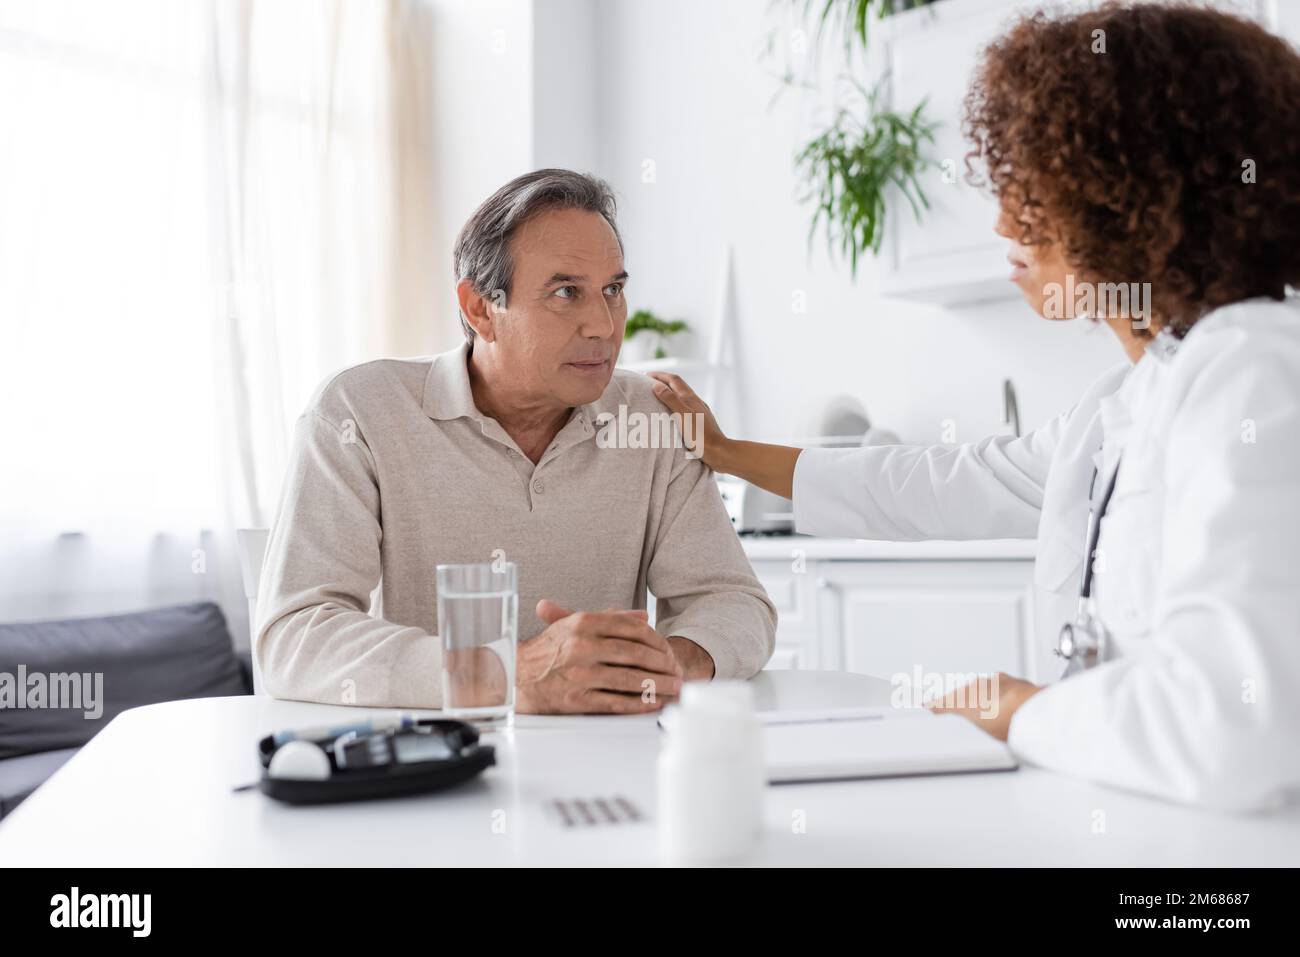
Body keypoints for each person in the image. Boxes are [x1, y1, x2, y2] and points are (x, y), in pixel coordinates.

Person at [651, 3, 1300, 811]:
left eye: (1033, 190)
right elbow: (933, 481)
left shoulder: (1253, 365)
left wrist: (1021, 708)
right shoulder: (1125, 402)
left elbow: (1230, 728)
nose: (1002, 221)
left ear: (1131, 191)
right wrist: (726, 449)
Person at [258, 169, 776, 714]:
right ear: (482, 308)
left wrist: (671, 661)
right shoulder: (359, 411)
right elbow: (296, 637)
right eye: (565, 292)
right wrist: (507, 675)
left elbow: (734, 603)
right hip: (438, 771)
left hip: (614, 760)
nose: (603, 325)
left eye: (613, 291)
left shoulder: (652, 417)